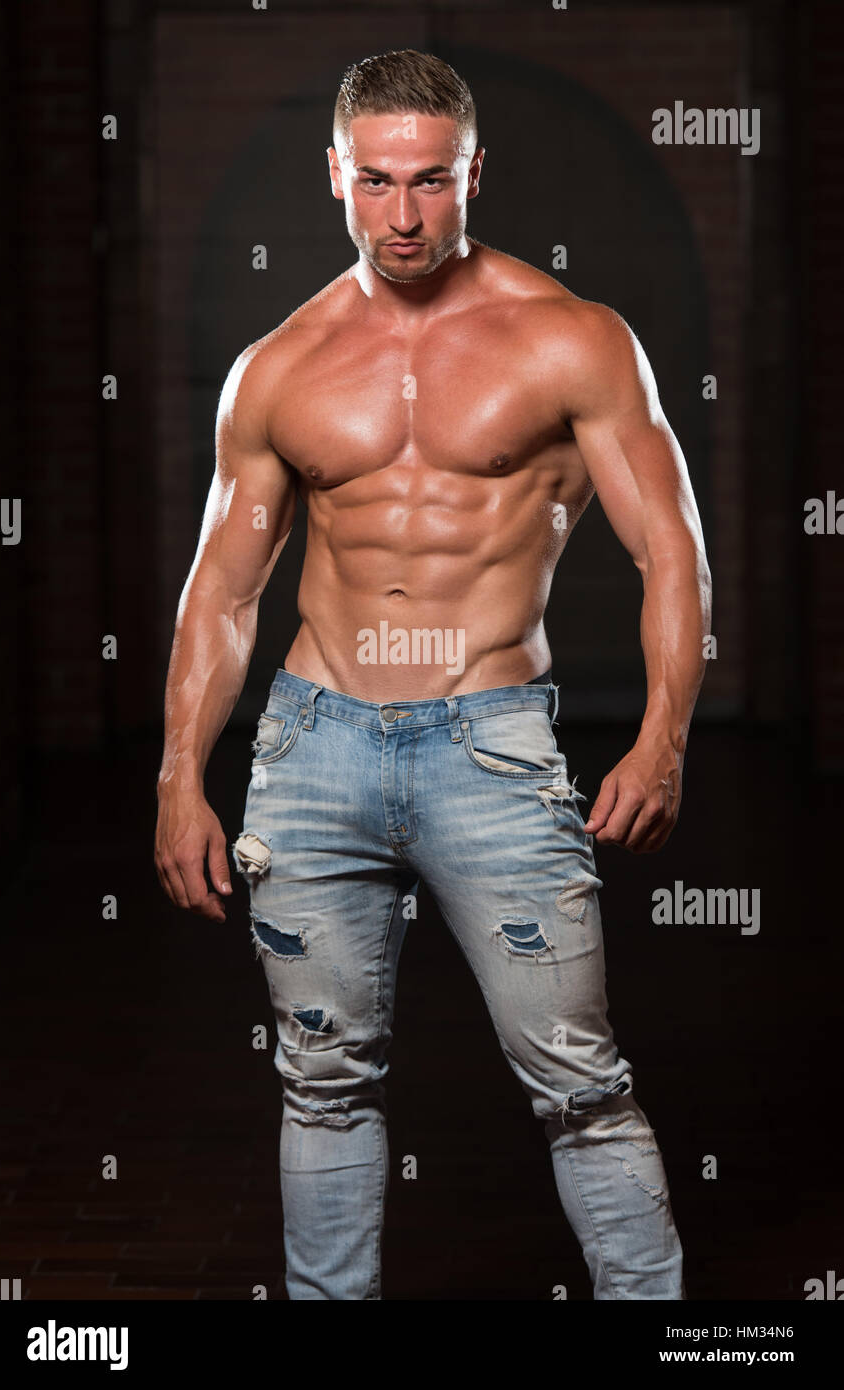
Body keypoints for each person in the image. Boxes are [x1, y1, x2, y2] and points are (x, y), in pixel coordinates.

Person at [155, 49, 711, 1300]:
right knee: (323, 1084)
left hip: (492, 746)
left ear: (475, 176)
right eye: (376, 181)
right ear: (335, 176)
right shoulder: (279, 365)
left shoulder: (573, 341)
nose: (404, 217)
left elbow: (671, 548)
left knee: (580, 1081)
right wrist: (179, 774)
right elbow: (225, 591)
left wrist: (664, 738)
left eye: (433, 183)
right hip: (312, 748)